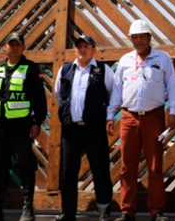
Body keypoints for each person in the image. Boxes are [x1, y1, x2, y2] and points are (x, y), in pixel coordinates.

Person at [108, 19, 175, 221]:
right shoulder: (124, 61)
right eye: (135, 37)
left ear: (150, 38)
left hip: (153, 117)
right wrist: (109, 115)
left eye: (142, 37)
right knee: (126, 166)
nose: (138, 41)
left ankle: (156, 211)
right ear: (131, 39)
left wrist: (173, 112)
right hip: (128, 118)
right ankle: (127, 211)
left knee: (155, 166)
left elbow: (172, 86)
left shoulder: (163, 58)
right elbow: (116, 90)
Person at [54, 34, 114, 221]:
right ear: (75, 50)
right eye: (79, 46)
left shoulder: (103, 70)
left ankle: (104, 210)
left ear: (93, 49)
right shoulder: (65, 70)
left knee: (101, 170)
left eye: (86, 46)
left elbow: (112, 95)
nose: (82, 49)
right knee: (68, 173)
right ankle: (68, 213)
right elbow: (58, 95)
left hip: (94, 129)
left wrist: (105, 115)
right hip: (71, 130)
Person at [0, 32, 46, 221]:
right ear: (5, 47)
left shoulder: (30, 69)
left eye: (18, 44)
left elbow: (39, 98)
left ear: (23, 47)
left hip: (21, 127)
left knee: (25, 166)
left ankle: (27, 208)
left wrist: (37, 122)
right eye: (11, 44)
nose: (14, 47)